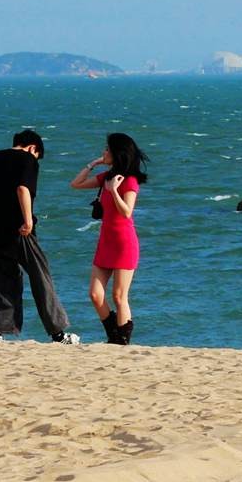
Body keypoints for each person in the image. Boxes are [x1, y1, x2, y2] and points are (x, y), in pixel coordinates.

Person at [0, 130, 77, 344]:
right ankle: (58, 333)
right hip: (18, 229)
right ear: (32, 148)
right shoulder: (27, 159)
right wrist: (28, 221)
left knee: (4, 279)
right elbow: (22, 188)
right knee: (40, 277)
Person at [72, 133, 147, 345]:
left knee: (118, 296)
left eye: (107, 150)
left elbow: (126, 212)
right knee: (95, 294)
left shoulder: (129, 181)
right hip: (106, 243)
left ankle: (122, 340)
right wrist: (93, 164)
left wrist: (113, 191)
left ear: (117, 153)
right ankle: (114, 333)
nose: (103, 152)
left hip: (124, 243)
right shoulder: (105, 176)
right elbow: (75, 184)